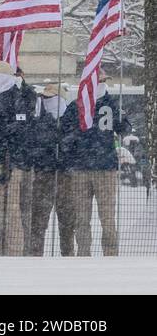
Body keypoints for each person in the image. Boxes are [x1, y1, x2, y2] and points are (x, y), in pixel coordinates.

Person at [62, 66, 130, 256]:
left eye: (102, 81)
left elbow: (124, 127)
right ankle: (85, 253)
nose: (101, 84)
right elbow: (124, 127)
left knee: (104, 216)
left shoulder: (82, 104)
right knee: (85, 216)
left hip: (97, 166)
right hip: (89, 166)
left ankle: (109, 254)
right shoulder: (82, 105)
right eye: (99, 81)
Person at [0, 60, 30, 255]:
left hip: (12, 162)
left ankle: (13, 250)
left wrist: (1, 132)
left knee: (11, 209)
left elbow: (21, 128)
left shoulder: (17, 98)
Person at [26, 81, 73, 256]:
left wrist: (63, 145)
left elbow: (74, 145)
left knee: (67, 220)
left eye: (49, 98)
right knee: (38, 219)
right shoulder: (39, 120)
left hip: (65, 175)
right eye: (44, 98)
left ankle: (68, 254)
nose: (45, 101)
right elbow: (33, 144)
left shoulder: (70, 119)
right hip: (43, 174)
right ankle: (35, 255)